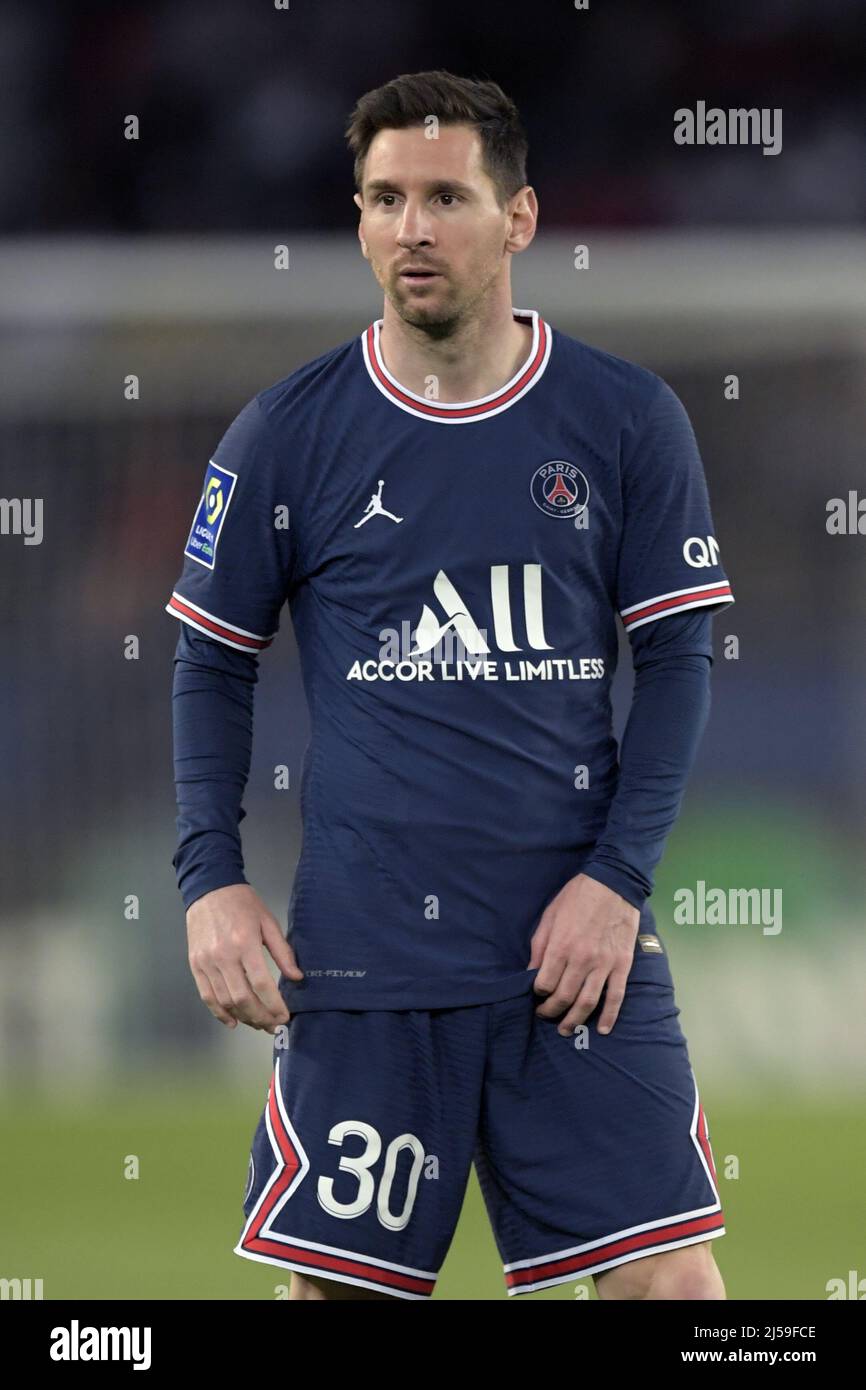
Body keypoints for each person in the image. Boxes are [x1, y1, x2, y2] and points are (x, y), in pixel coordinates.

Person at [166, 70, 734, 1301]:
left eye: (443, 196)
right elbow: (210, 657)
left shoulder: (626, 419)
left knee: (672, 1291)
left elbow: (680, 662)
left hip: (573, 957)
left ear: (518, 219)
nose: (409, 228)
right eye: (382, 199)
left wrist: (614, 883)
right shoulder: (288, 432)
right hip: (364, 966)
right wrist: (210, 880)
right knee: (337, 1295)